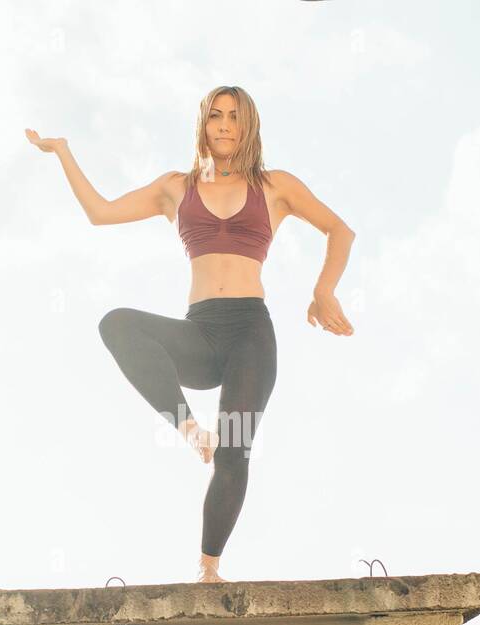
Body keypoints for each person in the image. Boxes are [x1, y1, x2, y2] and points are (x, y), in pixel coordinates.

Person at [26, 85, 355, 582]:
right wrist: (64, 152)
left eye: (234, 117)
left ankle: (208, 568)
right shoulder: (176, 188)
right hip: (200, 333)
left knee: (236, 447)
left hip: (250, 336)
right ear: (203, 123)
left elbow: (339, 230)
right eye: (216, 116)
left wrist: (323, 290)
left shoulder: (275, 186)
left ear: (249, 127)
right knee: (117, 324)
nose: (224, 125)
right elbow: (100, 212)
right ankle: (189, 430)